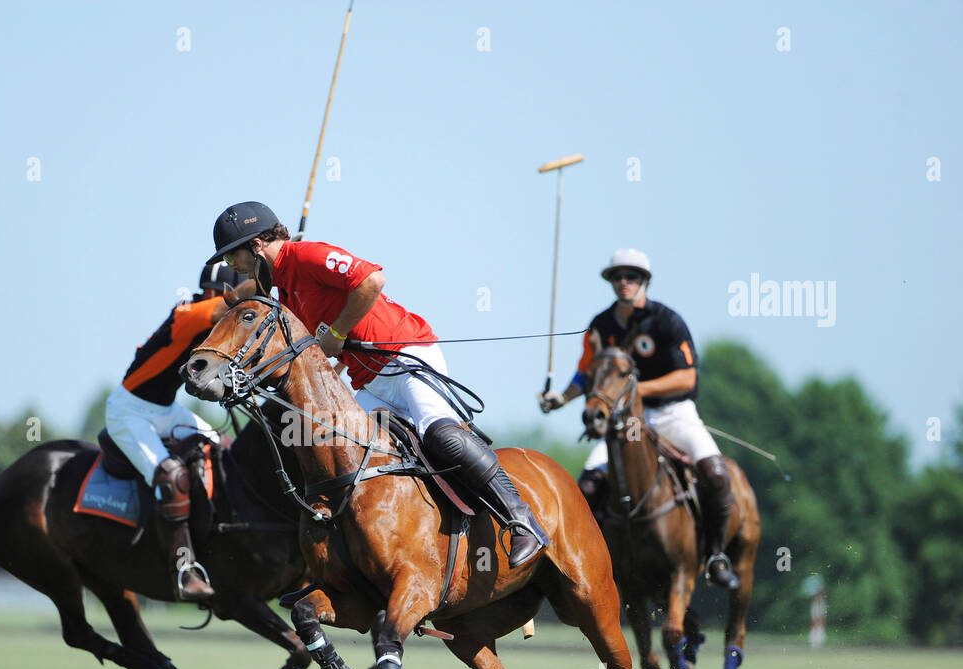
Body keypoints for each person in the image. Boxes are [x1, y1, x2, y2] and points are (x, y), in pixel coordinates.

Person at [207, 200, 548, 567]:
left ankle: (521, 520)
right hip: (370, 381)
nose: (232, 265)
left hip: (406, 356)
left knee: (440, 434)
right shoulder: (285, 290)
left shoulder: (307, 255)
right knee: (332, 449)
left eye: (231, 255)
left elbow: (371, 280)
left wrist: (337, 332)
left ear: (257, 245)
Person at [538, 249, 740, 588]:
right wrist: (562, 398)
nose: (624, 282)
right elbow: (586, 373)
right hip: (628, 422)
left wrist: (635, 389)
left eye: (631, 276)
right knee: (587, 485)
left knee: (716, 474)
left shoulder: (666, 321)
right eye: (617, 277)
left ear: (644, 280)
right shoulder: (600, 325)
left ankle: (715, 554)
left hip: (673, 413)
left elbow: (688, 377)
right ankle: (591, 562)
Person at [104, 263, 246, 601]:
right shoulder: (188, 314)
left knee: (227, 449)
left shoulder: (213, 320)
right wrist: (270, 270)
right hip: (129, 412)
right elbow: (231, 307)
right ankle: (183, 568)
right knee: (172, 478)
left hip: (167, 411)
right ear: (216, 293)